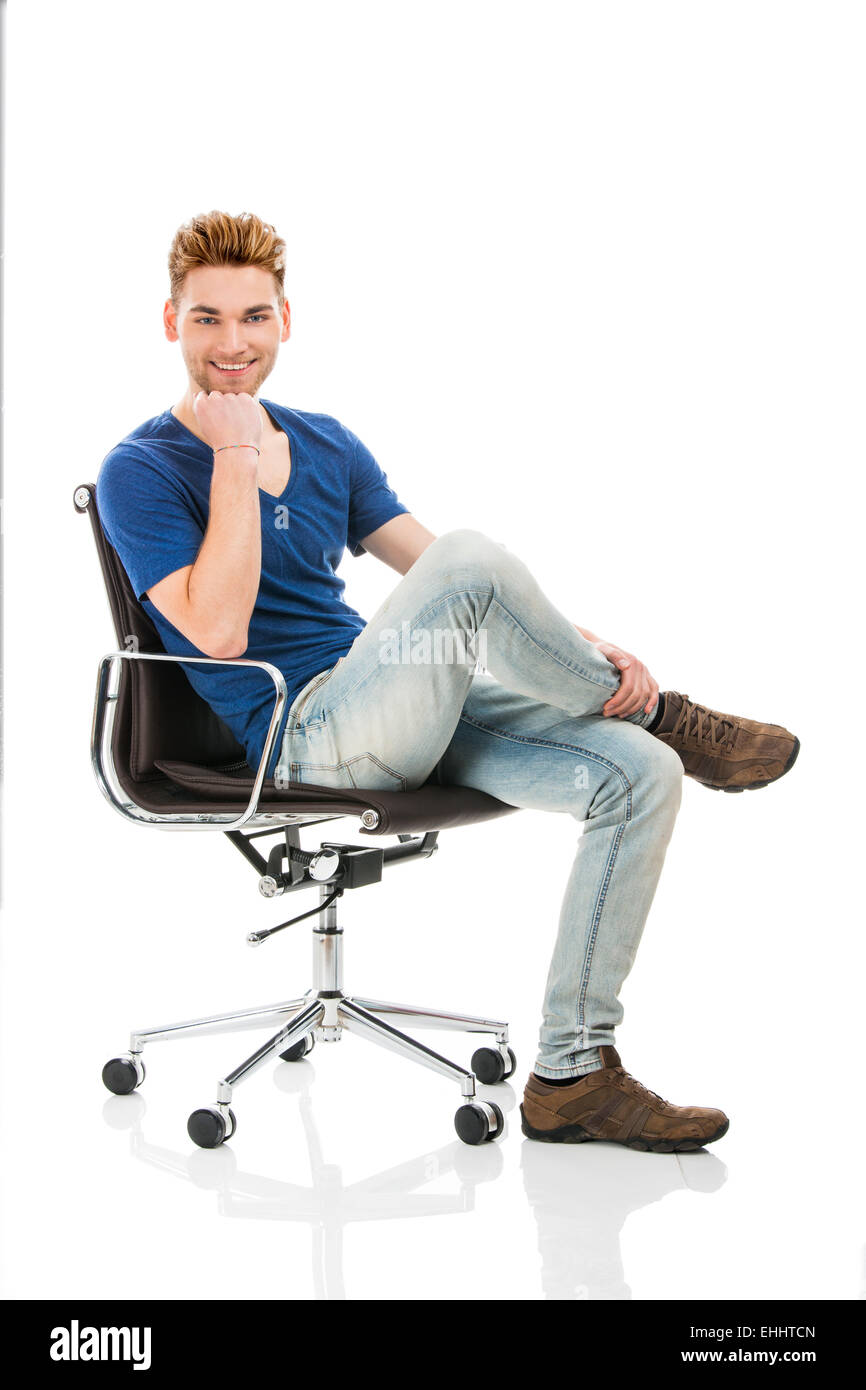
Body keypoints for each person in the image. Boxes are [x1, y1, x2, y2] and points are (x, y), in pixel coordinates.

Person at [97, 210, 799, 1153]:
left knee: (641, 773)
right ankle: (675, 719)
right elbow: (217, 633)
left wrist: (603, 657)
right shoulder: (139, 469)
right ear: (170, 322)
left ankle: (572, 1076)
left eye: (253, 318)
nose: (233, 344)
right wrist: (229, 453)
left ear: (286, 321)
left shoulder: (327, 442)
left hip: (397, 693)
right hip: (300, 729)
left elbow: (445, 579)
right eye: (208, 320)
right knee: (474, 557)